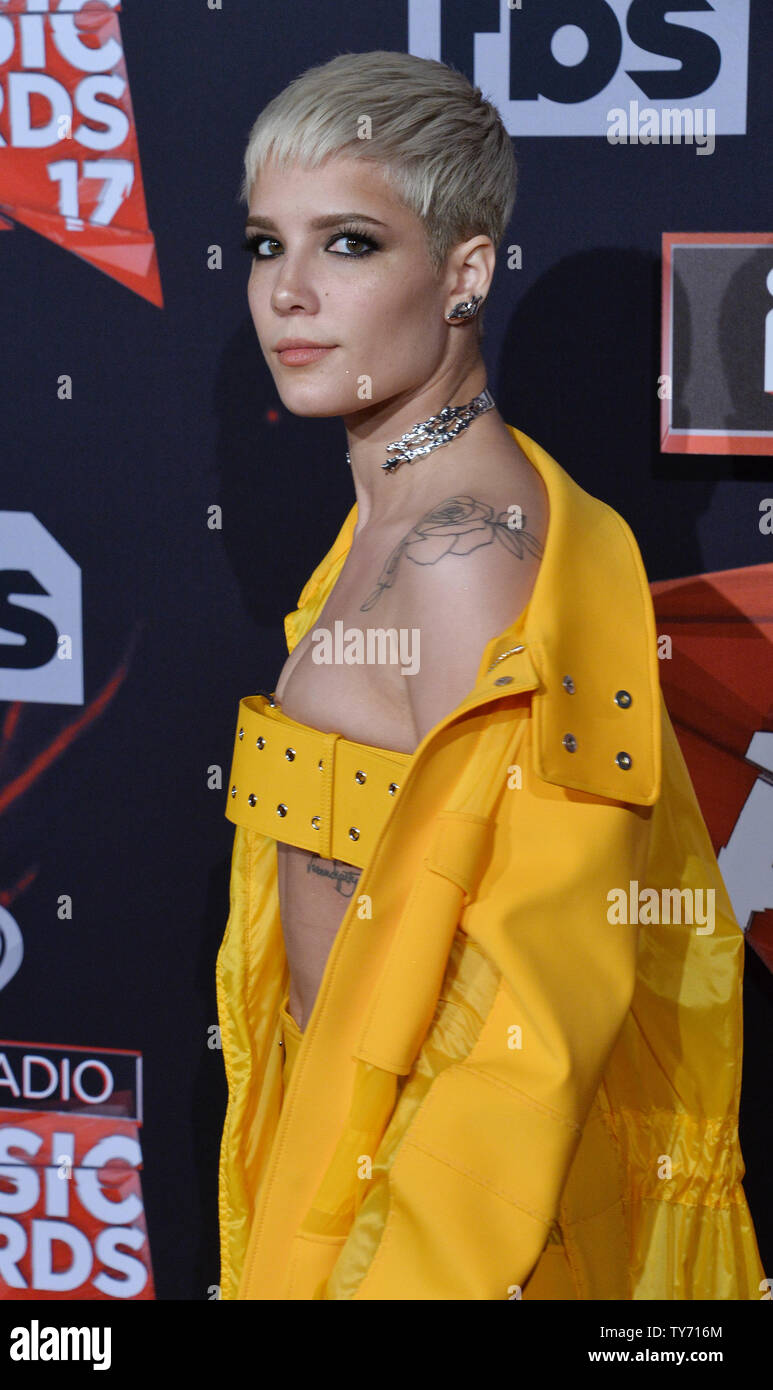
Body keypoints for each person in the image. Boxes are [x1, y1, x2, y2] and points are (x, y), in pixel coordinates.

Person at [215, 49, 765, 1300]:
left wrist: (414, 1276)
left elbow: (540, 996)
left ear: (464, 273)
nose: (289, 292)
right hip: (327, 1155)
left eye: (348, 244)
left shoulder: (471, 556)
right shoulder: (385, 527)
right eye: (264, 245)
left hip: (417, 1230)